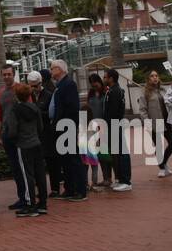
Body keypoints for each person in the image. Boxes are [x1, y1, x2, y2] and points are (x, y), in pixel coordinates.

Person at [50, 60, 88, 201]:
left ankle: (80, 190)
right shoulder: (60, 85)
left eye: (53, 68)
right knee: (65, 160)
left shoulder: (69, 84)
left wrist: (64, 124)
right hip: (62, 127)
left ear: (60, 69)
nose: (51, 70)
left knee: (73, 158)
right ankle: (70, 189)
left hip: (68, 126)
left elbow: (71, 107)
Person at [9, 81, 48, 217]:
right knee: (40, 173)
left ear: (17, 95)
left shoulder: (15, 110)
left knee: (27, 175)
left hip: (23, 145)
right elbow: (40, 127)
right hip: (36, 143)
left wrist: (14, 138)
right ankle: (42, 203)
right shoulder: (35, 108)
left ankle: (30, 205)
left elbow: (12, 130)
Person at [0, 65, 19, 209]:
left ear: (14, 74)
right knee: (15, 168)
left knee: (24, 167)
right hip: (7, 135)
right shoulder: (0, 94)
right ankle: (22, 196)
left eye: (9, 74)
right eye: (4, 75)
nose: (6, 77)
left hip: (21, 135)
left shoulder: (21, 89)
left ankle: (27, 196)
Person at [103, 68, 132, 191]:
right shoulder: (113, 90)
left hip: (115, 125)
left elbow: (113, 112)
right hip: (113, 125)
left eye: (105, 77)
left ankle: (126, 181)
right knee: (118, 152)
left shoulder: (115, 91)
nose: (104, 79)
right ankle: (121, 179)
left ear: (111, 78)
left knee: (122, 152)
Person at [144, 69, 172, 176]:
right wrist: (148, 123)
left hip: (166, 121)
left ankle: (164, 162)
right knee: (158, 146)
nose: (155, 78)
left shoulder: (163, 90)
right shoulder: (145, 93)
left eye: (156, 75)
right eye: (152, 76)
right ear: (148, 79)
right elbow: (142, 110)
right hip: (155, 122)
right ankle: (162, 168)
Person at [85, 73, 106, 191]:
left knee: (102, 155)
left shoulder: (104, 93)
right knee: (92, 155)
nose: (94, 85)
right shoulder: (91, 94)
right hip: (91, 127)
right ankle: (93, 182)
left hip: (102, 126)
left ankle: (105, 177)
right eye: (92, 83)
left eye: (95, 82)